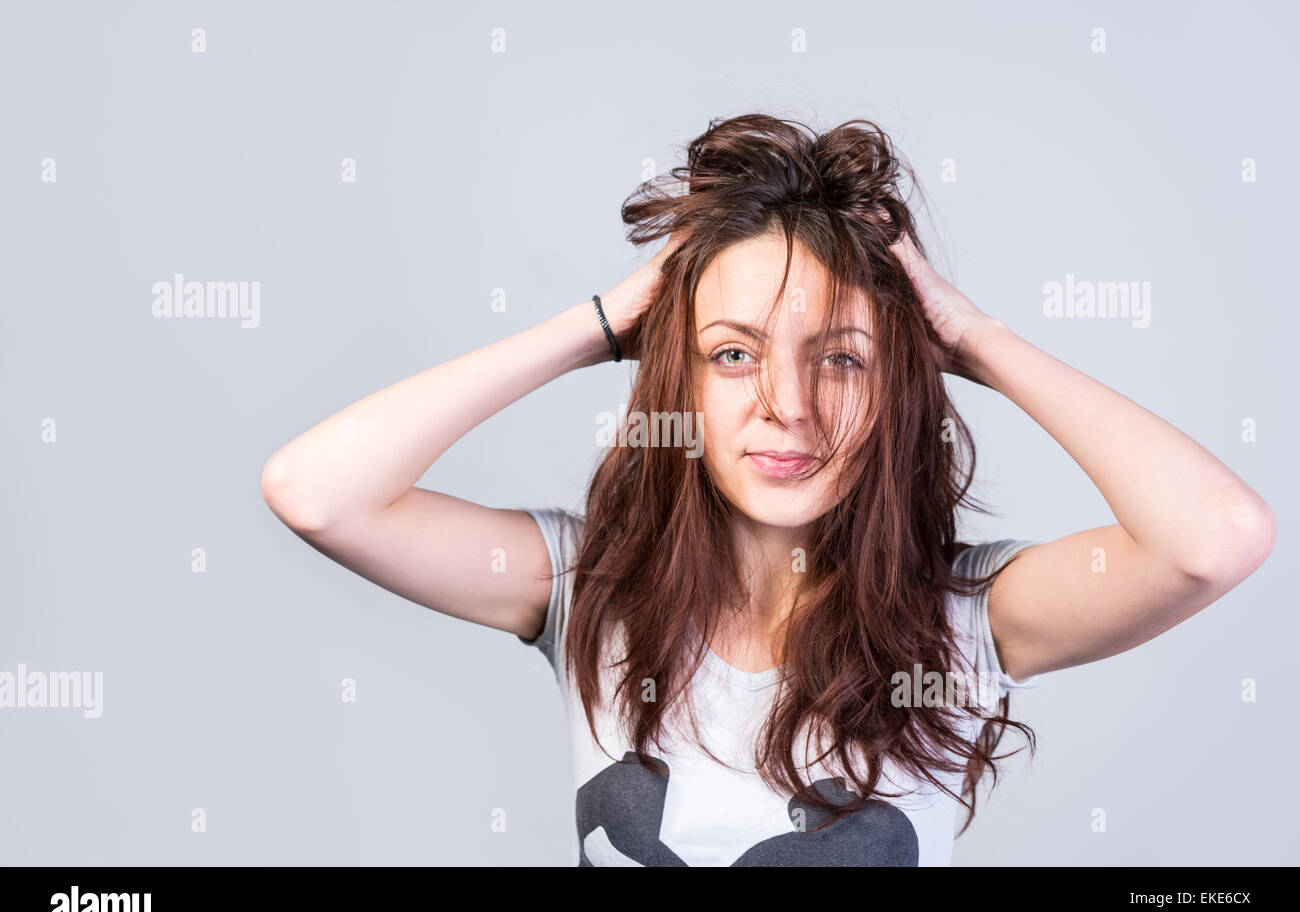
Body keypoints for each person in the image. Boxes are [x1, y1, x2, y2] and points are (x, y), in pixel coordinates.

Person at [260, 114, 1275, 866]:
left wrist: (972, 338)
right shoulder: (586, 588)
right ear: (679, 380)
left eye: (838, 359)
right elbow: (315, 490)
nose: (786, 404)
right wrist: (608, 323)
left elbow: (1215, 535)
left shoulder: (970, 617)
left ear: (893, 385)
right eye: (733, 354)